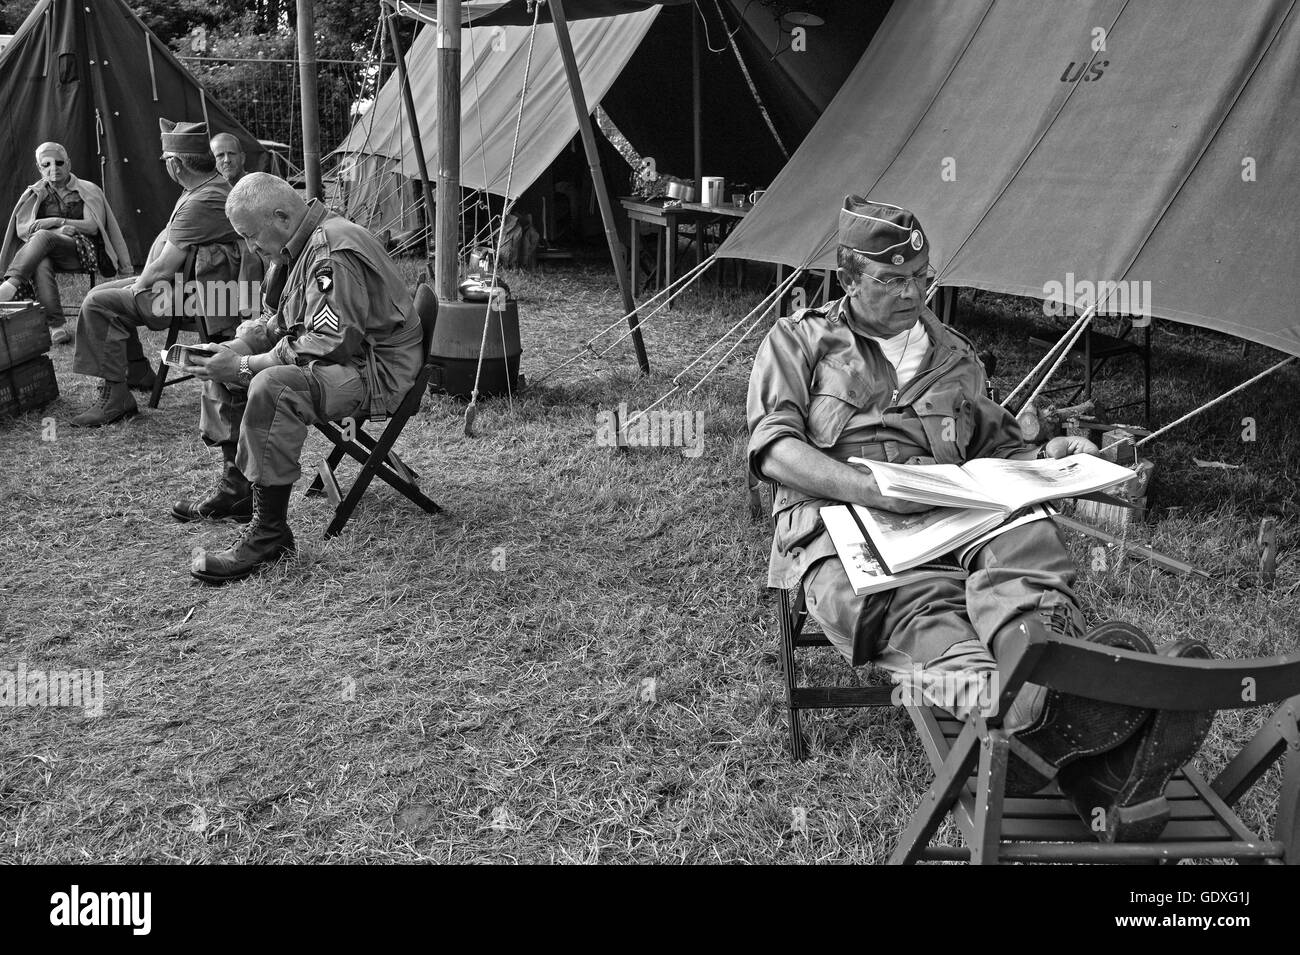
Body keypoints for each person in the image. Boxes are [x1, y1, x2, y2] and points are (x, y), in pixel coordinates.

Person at [746, 196, 1214, 841]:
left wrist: (1050, 455)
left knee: (1030, 541)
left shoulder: (953, 351)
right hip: (843, 517)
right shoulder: (800, 340)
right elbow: (775, 450)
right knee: (909, 603)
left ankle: (1045, 677)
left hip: (953, 509)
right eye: (892, 280)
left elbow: (993, 443)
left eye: (922, 277)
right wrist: (875, 491)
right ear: (849, 278)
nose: (913, 293)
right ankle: (1041, 724)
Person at [176, 172, 423, 586]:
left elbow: (330, 340)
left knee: (273, 386)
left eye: (252, 236)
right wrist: (236, 349)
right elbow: (287, 321)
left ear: (280, 216)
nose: (251, 247)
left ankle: (270, 536)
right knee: (218, 361)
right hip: (352, 359)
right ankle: (238, 490)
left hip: (374, 372)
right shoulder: (305, 242)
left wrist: (246, 366)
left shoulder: (332, 251)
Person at [69, 119, 245, 427]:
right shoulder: (207, 186)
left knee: (98, 304)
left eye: (166, 160)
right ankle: (135, 370)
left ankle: (116, 398)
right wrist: (138, 283)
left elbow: (163, 266)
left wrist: (138, 287)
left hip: (197, 298)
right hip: (190, 286)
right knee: (98, 294)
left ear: (177, 165)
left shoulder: (202, 199)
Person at [0, 142, 133, 345]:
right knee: (41, 261)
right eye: (46, 165)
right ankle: (56, 327)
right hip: (47, 253)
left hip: (82, 252)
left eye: (59, 162)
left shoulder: (86, 190)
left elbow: (91, 226)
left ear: (69, 164)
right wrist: (57, 231)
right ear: (39, 167)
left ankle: (11, 284)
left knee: (43, 236)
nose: (54, 169)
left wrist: (55, 222)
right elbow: (24, 229)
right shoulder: (35, 193)